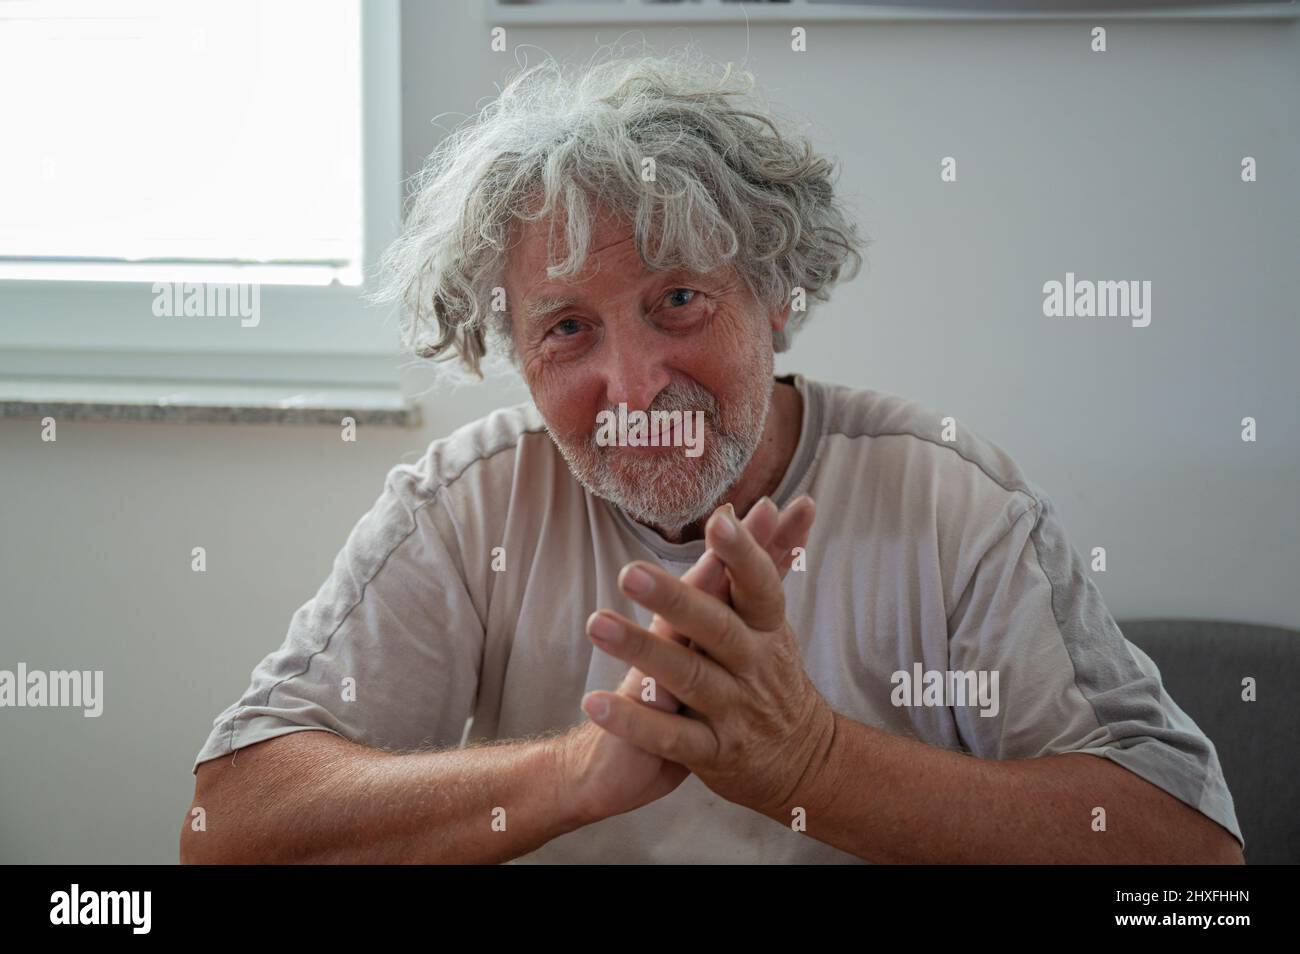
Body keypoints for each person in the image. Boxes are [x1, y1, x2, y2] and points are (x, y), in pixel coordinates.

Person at [181, 50, 1243, 864]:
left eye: (677, 300)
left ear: (776, 297)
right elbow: (224, 826)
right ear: (513, 351)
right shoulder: (469, 509)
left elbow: (1192, 855)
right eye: (565, 330)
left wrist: (811, 763)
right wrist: (576, 773)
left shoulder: (948, 501)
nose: (636, 387)